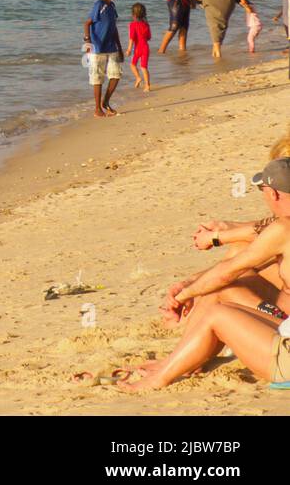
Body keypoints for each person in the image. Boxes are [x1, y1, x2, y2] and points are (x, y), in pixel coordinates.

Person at [119, 158, 290, 393]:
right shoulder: (280, 229)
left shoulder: (283, 229)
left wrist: (182, 296)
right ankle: (182, 360)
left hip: (287, 359)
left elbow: (226, 273)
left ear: (273, 194)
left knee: (217, 311)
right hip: (285, 323)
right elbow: (243, 257)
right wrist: (189, 284)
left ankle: (160, 377)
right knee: (221, 289)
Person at [83, 0, 123, 118]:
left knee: (116, 74)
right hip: (97, 47)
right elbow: (87, 23)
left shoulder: (112, 7)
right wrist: (87, 42)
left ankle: (105, 102)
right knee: (97, 78)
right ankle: (97, 109)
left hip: (111, 47)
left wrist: (120, 47)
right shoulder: (99, 5)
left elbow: (114, 28)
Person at [128, 3, 152, 91]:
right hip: (146, 47)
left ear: (133, 14)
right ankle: (147, 85)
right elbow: (149, 37)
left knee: (132, 65)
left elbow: (131, 38)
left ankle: (138, 78)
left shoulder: (132, 25)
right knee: (144, 67)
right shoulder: (146, 25)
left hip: (138, 49)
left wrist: (129, 49)